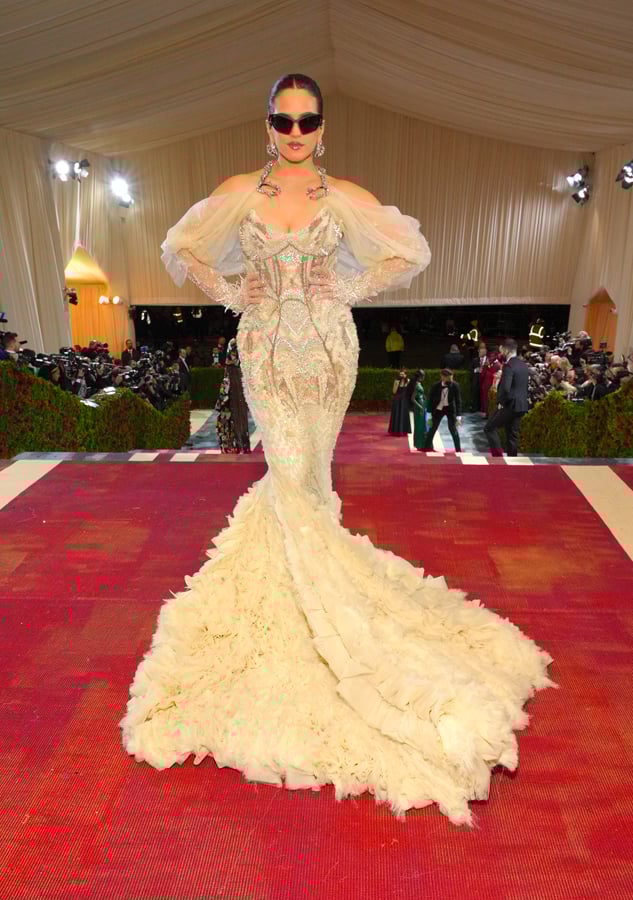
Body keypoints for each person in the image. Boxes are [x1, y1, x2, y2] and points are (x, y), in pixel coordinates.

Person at [120, 73, 554, 827]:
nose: (294, 132)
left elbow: (406, 254)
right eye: (282, 120)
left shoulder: (343, 196)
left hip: (326, 349)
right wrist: (236, 293)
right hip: (263, 347)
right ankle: (297, 608)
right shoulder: (237, 192)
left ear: (322, 127)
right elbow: (182, 247)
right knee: (284, 476)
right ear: (267, 124)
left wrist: (338, 292)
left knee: (310, 479)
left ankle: (315, 599)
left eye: (306, 120)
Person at [484, 338, 530, 457]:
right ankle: (512, 461)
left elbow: (505, 388)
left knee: (489, 428)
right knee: (512, 434)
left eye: (501, 349)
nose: (500, 352)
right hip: (521, 405)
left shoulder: (508, 366)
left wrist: (501, 402)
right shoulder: (523, 365)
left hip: (510, 405)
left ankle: (498, 456)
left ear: (506, 350)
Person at [215, 337, 251, 453]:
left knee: (235, 416)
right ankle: (239, 444)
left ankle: (237, 444)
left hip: (233, 394)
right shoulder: (238, 373)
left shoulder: (233, 373)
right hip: (233, 390)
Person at [423, 368, 462, 452]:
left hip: (450, 409)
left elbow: (458, 401)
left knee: (453, 429)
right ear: (442, 377)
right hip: (438, 409)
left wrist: (459, 417)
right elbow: (430, 400)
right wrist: (429, 415)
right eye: (449, 378)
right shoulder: (435, 386)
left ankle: (458, 450)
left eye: (452, 378)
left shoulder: (455, 385)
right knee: (433, 428)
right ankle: (426, 448)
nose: (451, 380)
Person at [406, 369, 427, 450]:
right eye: (423, 376)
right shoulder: (416, 385)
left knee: (421, 426)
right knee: (419, 426)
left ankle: (421, 444)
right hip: (419, 407)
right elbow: (412, 399)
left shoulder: (418, 384)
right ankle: (419, 445)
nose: (424, 377)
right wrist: (420, 407)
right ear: (420, 377)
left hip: (421, 405)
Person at [387, 368, 410, 435]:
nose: (401, 376)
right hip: (397, 399)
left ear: (406, 375)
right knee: (396, 414)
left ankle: (404, 430)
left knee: (404, 414)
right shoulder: (396, 381)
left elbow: (410, 391)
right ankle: (395, 431)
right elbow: (394, 391)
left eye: (403, 374)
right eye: (400, 374)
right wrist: (397, 384)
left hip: (405, 400)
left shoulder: (408, 381)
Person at [470, 342, 487, 412]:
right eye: (481, 349)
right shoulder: (475, 360)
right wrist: (475, 370)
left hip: (485, 381)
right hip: (476, 381)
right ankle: (475, 408)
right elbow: (470, 369)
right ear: (478, 350)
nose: (482, 350)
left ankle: (483, 409)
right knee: (475, 394)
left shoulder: (489, 360)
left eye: (483, 349)